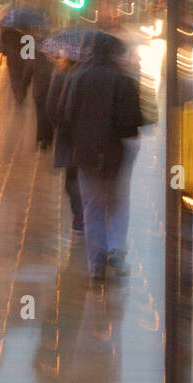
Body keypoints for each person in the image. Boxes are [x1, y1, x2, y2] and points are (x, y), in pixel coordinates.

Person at [62, 32, 145, 285]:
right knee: (118, 203)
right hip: (115, 153)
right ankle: (115, 250)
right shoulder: (124, 80)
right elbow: (134, 122)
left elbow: (66, 116)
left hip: (86, 154)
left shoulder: (78, 78)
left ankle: (95, 265)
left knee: (92, 207)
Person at [46, 47, 84, 237]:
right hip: (88, 137)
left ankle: (78, 217)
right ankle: (85, 215)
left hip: (68, 136)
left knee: (71, 177)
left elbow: (51, 106)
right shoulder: (88, 75)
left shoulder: (60, 75)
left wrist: (59, 127)